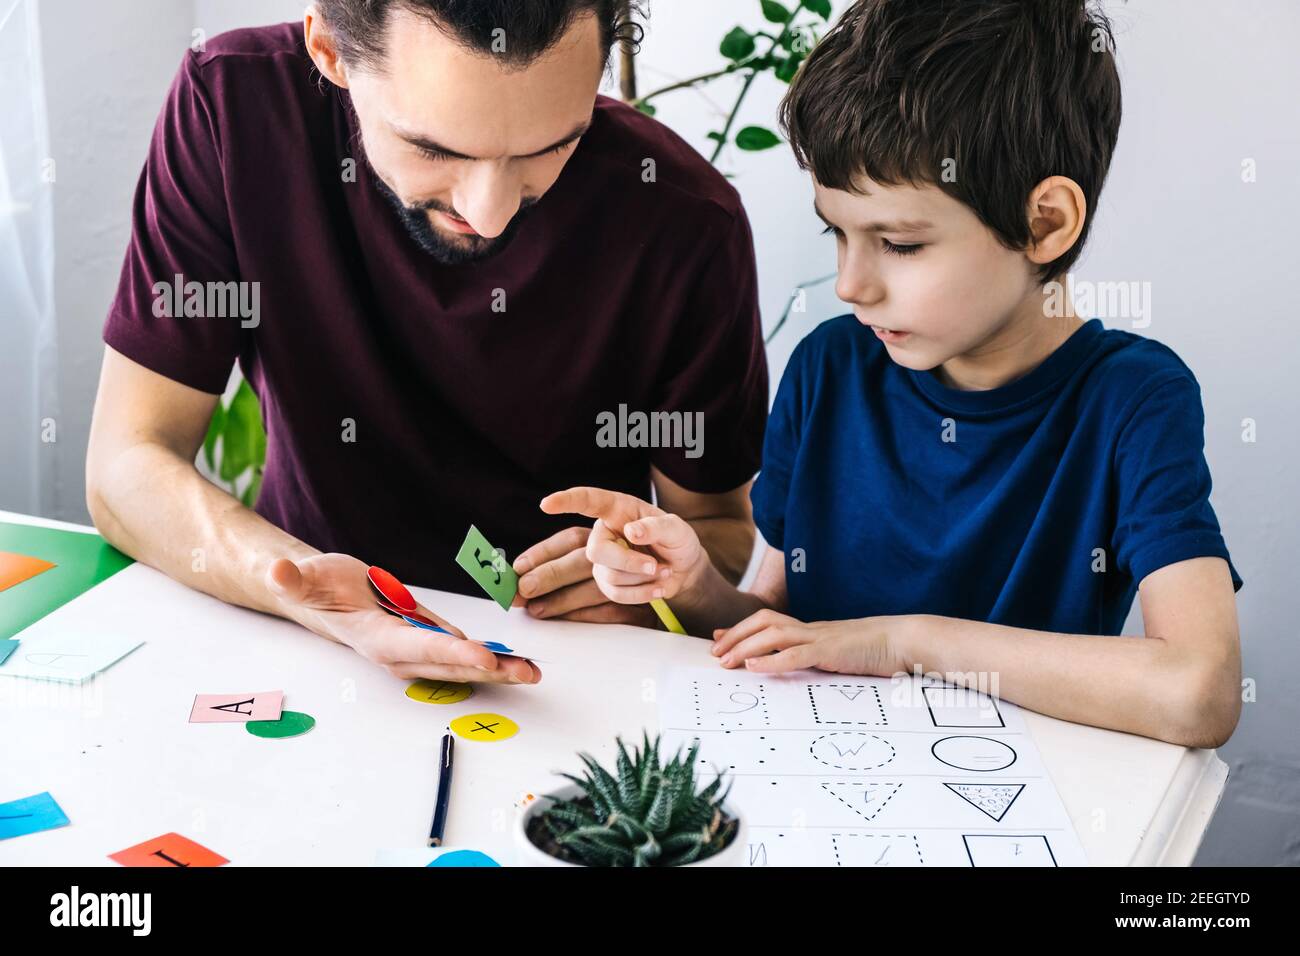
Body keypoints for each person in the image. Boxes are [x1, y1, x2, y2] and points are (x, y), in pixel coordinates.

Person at [551, 0, 1243, 747]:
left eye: (901, 243)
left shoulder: (1134, 401)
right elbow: (784, 630)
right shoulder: (829, 368)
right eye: (837, 233)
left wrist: (904, 643)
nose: (851, 284)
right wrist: (692, 588)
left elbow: (1199, 693)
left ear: (1045, 224)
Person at [86, 1, 767, 687]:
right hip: (297, 642)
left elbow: (718, 526)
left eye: (550, 146)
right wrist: (305, 591)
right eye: (435, 149)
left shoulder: (684, 221)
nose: (490, 211)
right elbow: (127, 463)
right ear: (327, 48)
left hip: (569, 673)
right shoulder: (234, 105)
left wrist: (656, 581)